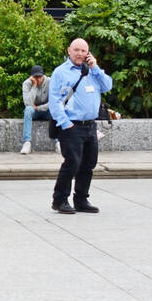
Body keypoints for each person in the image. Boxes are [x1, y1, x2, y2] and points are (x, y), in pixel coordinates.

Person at [48, 37, 113, 214]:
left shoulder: (92, 71)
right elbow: (54, 101)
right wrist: (65, 123)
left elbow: (107, 86)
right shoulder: (60, 72)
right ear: (69, 50)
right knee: (72, 162)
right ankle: (60, 200)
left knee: (88, 163)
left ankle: (81, 199)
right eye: (76, 50)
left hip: (90, 125)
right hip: (71, 125)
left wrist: (96, 68)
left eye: (83, 51)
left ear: (88, 53)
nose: (80, 54)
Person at [20, 64, 50, 155]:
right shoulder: (26, 83)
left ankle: (59, 142)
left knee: (58, 110)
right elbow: (28, 103)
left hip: (47, 111)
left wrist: (38, 107)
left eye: (40, 76)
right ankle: (27, 143)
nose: (38, 79)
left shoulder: (51, 82)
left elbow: (54, 102)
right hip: (33, 111)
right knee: (28, 110)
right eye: (35, 77)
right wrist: (34, 86)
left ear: (43, 75)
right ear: (32, 77)